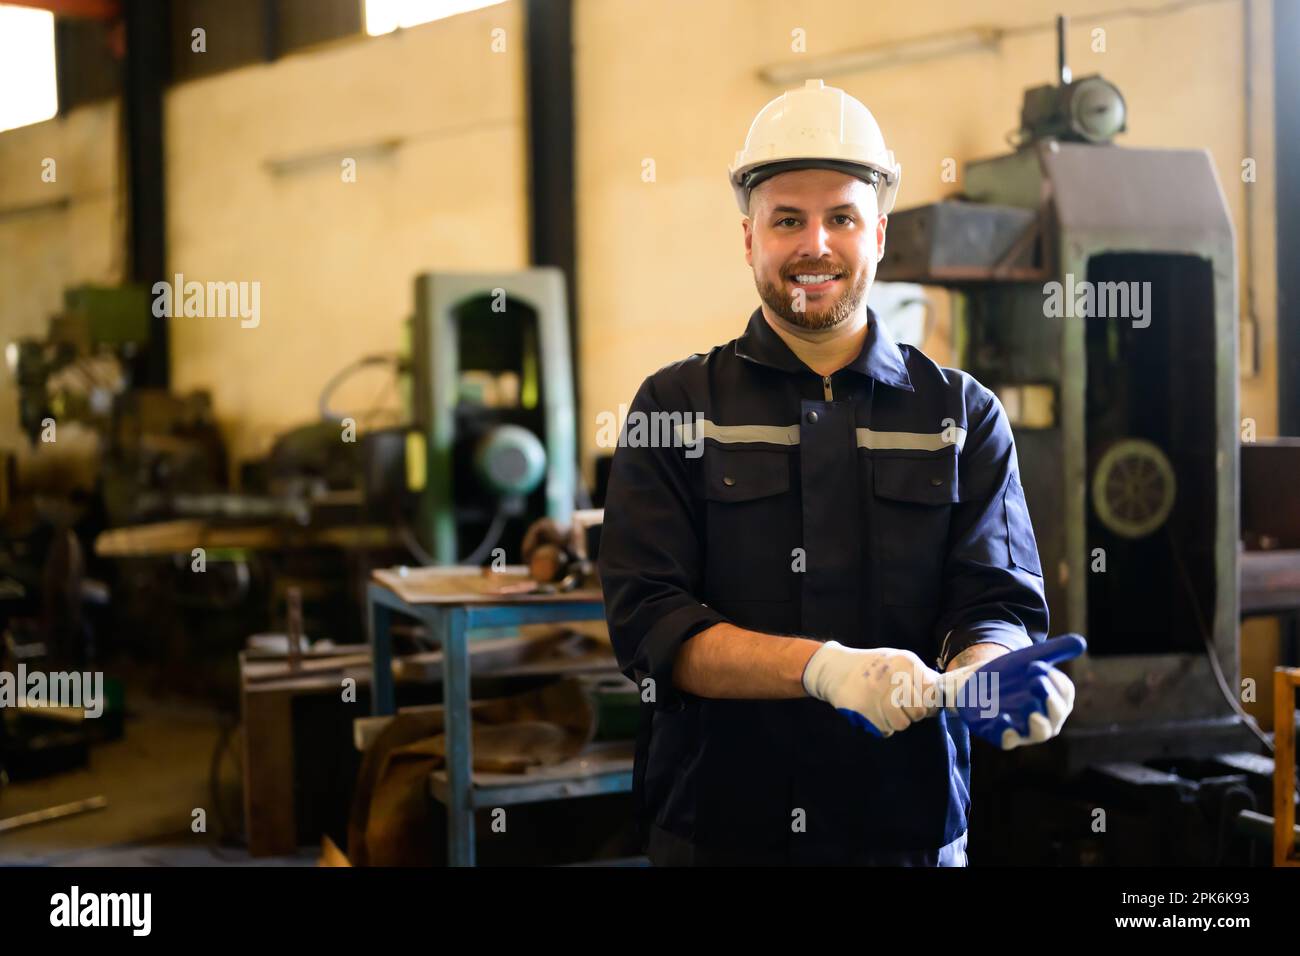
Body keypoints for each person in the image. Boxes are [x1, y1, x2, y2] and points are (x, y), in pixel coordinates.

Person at [598, 79, 1075, 866]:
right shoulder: (674, 406)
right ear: (748, 236)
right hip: (723, 831)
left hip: (909, 831)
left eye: (841, 218)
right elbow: (651, 624)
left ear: (878, 233)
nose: (815, 244)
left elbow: (991, 600)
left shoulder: (960, 415)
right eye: (788, 219)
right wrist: (821, 670)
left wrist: (988, 675)